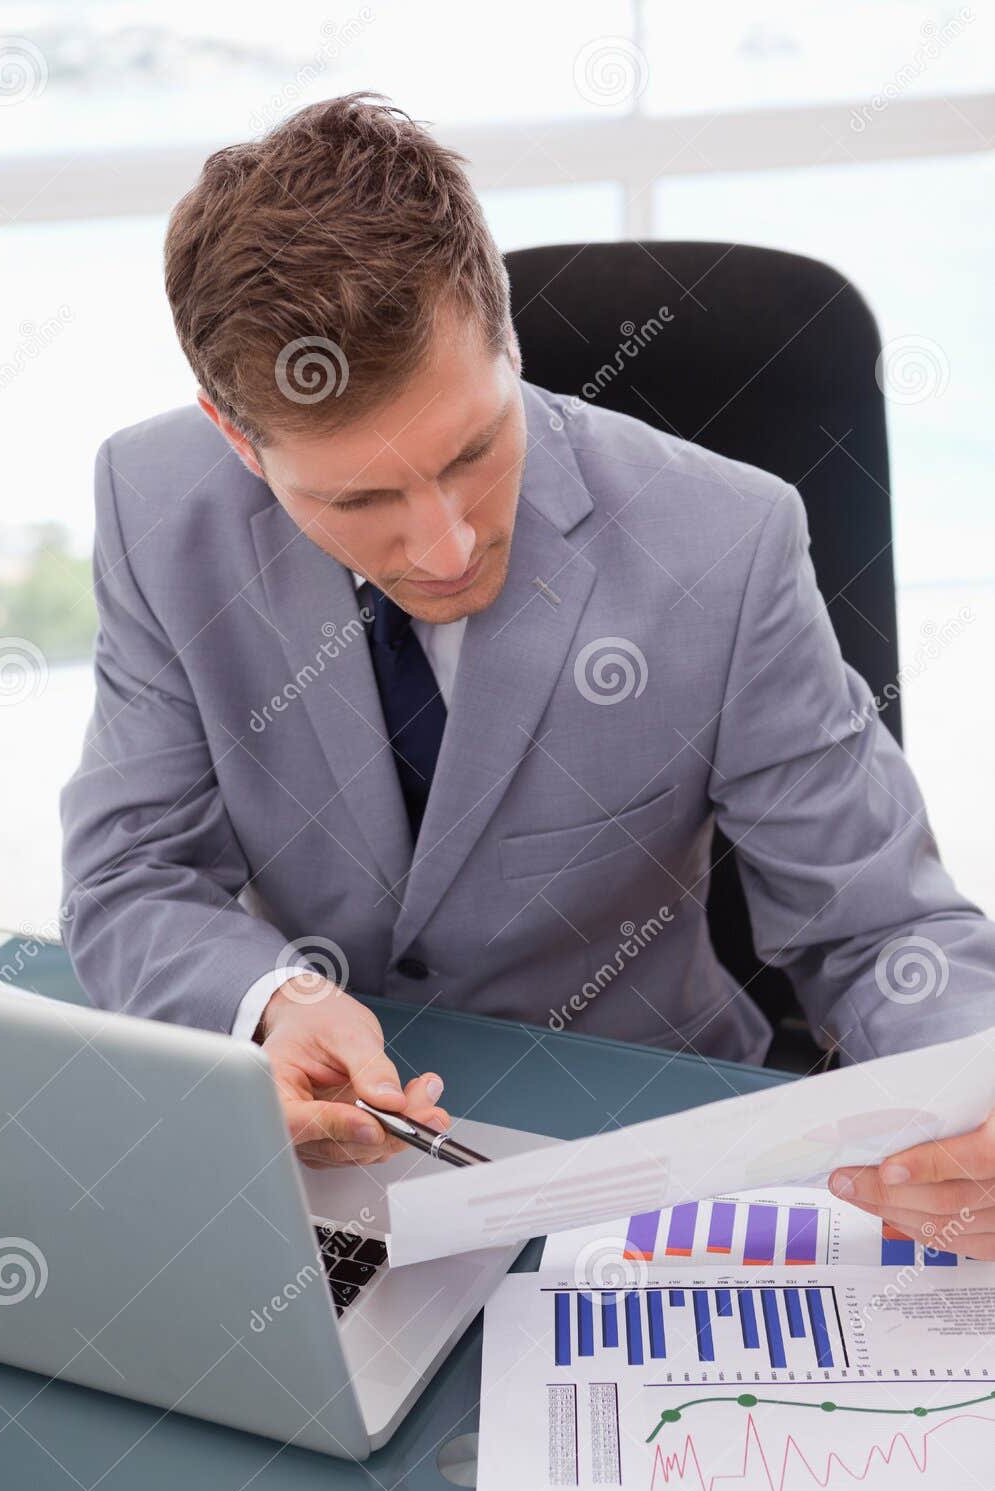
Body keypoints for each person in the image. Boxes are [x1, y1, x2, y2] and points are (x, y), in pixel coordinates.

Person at [61, 94, 995, 1251]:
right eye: (359, 500)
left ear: (506, 341)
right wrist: (268, 1002)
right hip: (330, 1163)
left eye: (471, 452)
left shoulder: (727, 541)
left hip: (656, 1147)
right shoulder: (156, 509)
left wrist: (972, 1089)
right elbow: (131, 868)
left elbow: (876, 926)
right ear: (234, 436)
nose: (446, 548)